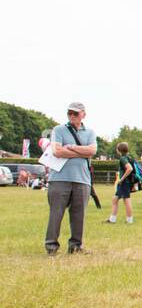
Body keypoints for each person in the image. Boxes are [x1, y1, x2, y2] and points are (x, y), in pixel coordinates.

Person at [44, 102, 97, 255]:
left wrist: (71, 147)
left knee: (79, 215)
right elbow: (57, 151)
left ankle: (76, 246)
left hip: (82, 179)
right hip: (59, 178)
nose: (72, 116)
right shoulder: (58, 129)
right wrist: (82, 152)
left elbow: (92, 150)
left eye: (76, 113)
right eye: (70, 113)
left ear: (83, 115)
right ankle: (51, 247)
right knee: (56, 213)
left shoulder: (90, 132)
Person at [107, 142, 136, 224]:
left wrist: (122, 179)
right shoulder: (129, 157)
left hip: (124, 183)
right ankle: (112, 219)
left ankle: (129, 220)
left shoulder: (123, 158)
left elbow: (129, 168)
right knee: (115, 200)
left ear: (119, 150)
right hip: (127, 182)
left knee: (126, 200)